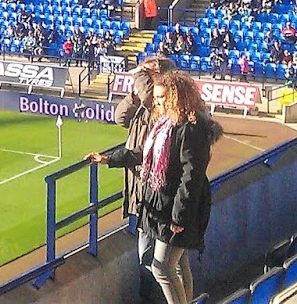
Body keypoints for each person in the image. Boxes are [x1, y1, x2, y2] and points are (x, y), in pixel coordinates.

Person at [91, 71, 220, 304]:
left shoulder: (191, 128)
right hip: (164, 203)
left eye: (162, 98)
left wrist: (179, 217)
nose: (157, 102)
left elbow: (191, 176)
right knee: (178, 264)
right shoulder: (164, 124)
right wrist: (109, 159)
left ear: (176, 97)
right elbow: (143, 153)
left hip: (177, 208)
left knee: (162, 266)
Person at [98, 57, 176, 304]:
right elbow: (120, 118)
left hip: (152, 190)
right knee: (155, 253)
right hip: (140, 189)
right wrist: (133, 97)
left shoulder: (163, 110)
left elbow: (140, 151)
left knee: (152, 256)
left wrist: (108, 159)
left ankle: (152, 299)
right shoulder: (143, 106)